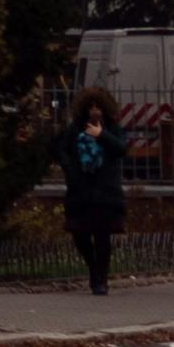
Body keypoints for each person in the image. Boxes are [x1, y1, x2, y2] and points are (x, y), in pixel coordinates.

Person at [60, 92, 130, 300]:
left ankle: (101, 279)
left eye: (98, 107)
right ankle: (93, 267)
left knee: (102, 236)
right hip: (80, 191)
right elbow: (61, 150)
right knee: (79, 234)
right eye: (91, 107)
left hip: (105, 192)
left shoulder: (113, 128)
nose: (94, 111)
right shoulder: (75, 129)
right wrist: (70, 169)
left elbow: (121, 149)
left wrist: (101, 135)